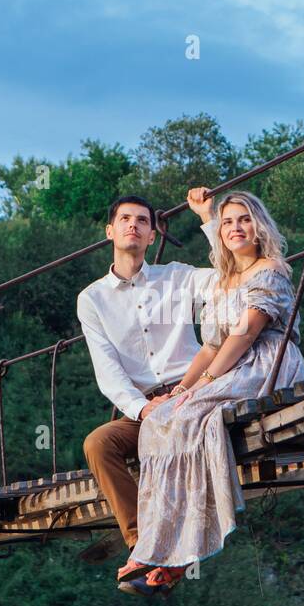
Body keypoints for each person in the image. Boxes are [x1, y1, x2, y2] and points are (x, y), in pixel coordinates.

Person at [117, 188, 304, 596]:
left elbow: (247, 331)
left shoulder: (270, 269)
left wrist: (203, 386)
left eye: (244, 220)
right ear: (219, 232)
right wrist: (180, 389)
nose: (236, 228)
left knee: (190, 417)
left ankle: (184, 552)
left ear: (259, 226)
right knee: (161, 420)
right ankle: (157, 545)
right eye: (228, 222)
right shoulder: (222, 282)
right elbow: (210, 346)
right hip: (229, 363)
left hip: (266, 363)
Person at [77, 191, 221, 568]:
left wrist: (209, 219)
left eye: (143, 221)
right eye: (125, 219)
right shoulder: (91, 300)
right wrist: (142, 410)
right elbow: (107, 371)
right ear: (110, 231)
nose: (133, 226)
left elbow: (228, 278)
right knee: (98, 443)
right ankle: (143, 544)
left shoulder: (176, 277)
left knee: (175, 435)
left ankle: (177, 546)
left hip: (190, 392)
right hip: (144, 408)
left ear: (152, 235)